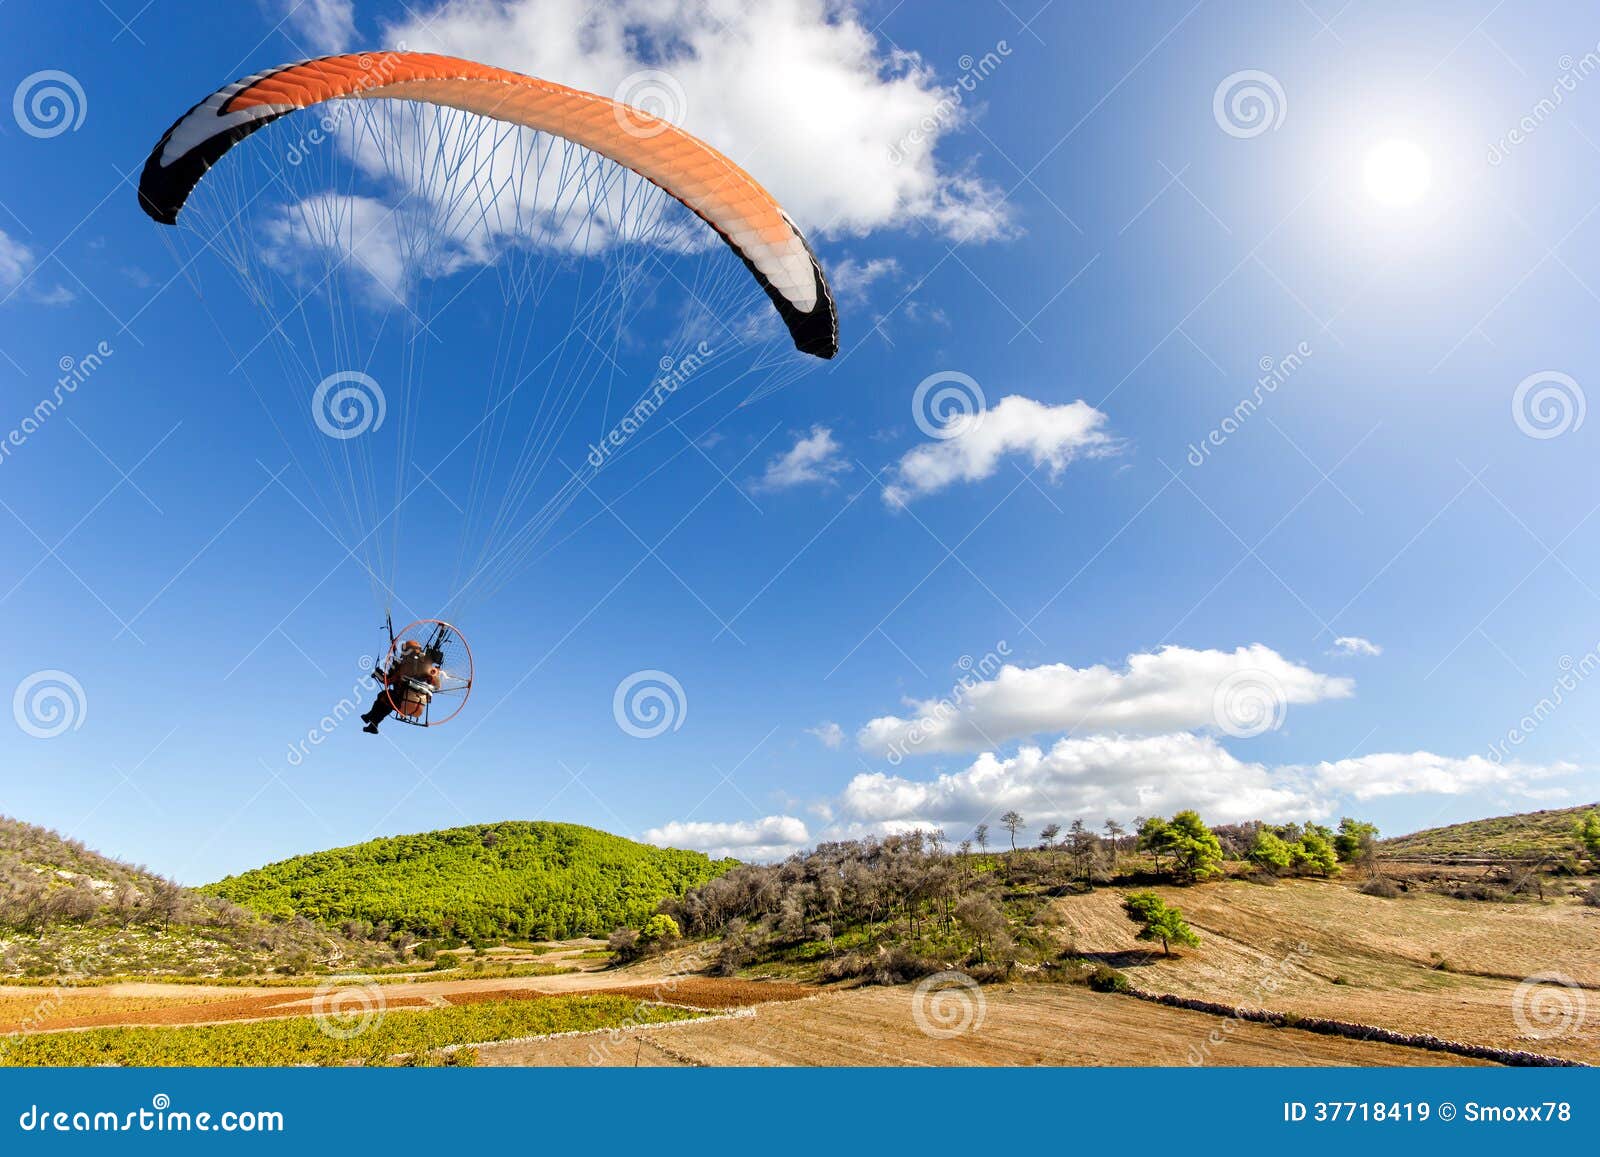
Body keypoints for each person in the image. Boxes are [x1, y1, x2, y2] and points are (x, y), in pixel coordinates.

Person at [361, 639, 441, 733]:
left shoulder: (403, 667)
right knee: (387, 700)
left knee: (383, 696)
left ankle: (370, 717)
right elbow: (437, 685)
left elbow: (387, 681)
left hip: (403, 702)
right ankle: (372, 724)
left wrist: (377, 674)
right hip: (419, 707)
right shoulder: (427, 669)